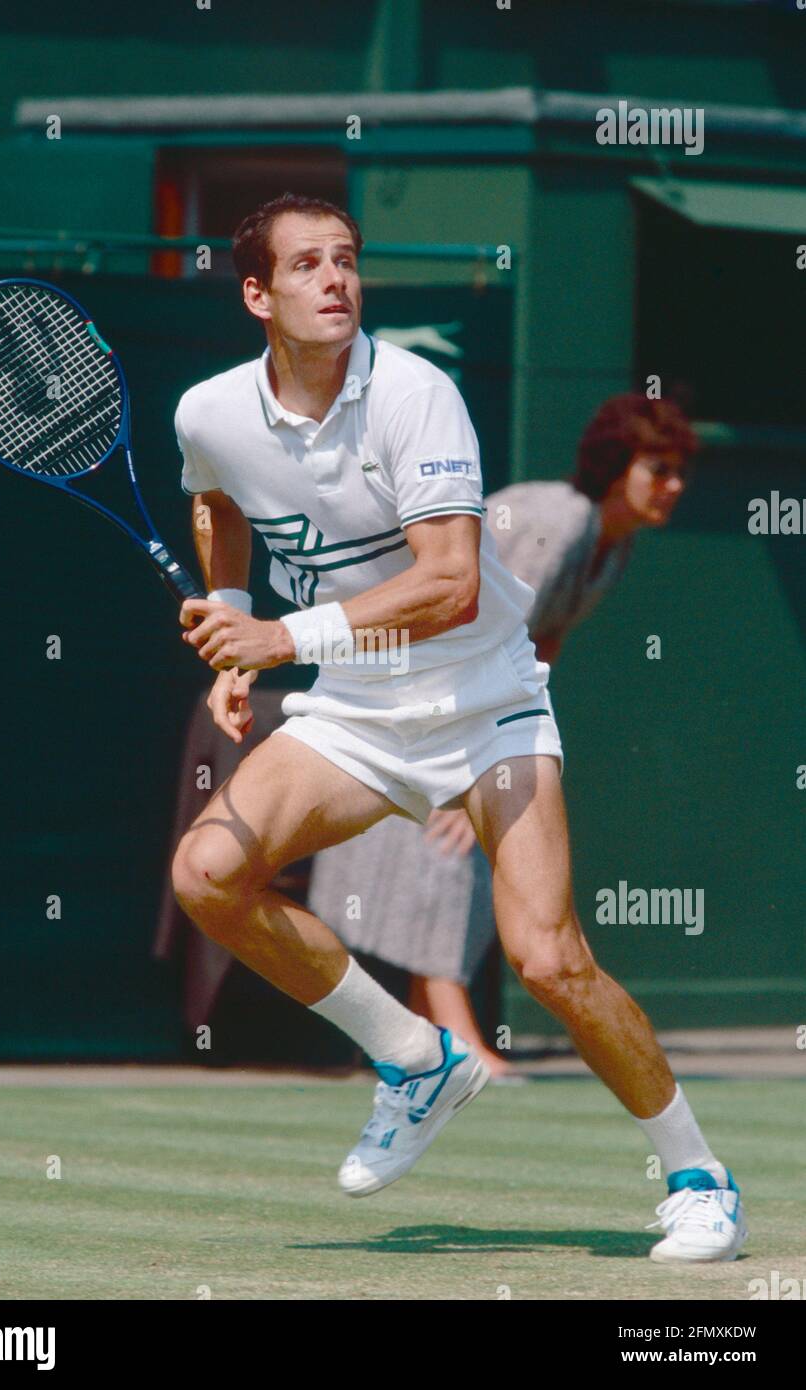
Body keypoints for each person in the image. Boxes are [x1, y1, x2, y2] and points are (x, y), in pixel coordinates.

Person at [170, 192, 745, 1262]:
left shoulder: (416, 393)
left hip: (485, 707)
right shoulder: (208, 413)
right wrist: (237, 617)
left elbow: (449, 587)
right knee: (206, 873)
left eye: (345, 259)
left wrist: (280, 637)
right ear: (258, 294)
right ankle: (414, 1057)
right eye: (305, 266)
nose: (335, 279)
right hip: (355, 712)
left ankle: (697, 1173)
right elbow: (220, 499)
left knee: (544, 957)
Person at [307, 396, 697, 1078]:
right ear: (616, 469)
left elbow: (542, 644)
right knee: (455, 834)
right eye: (658, 469)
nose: (674, 486)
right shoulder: (563, 521)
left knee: (499, 827)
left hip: (464, 688)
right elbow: (466, 623)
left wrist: (515, 741)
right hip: (411, 671)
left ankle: (437, 1033)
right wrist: (459, 768)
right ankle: (453, 1035)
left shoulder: (615, 544)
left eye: (678, 472)